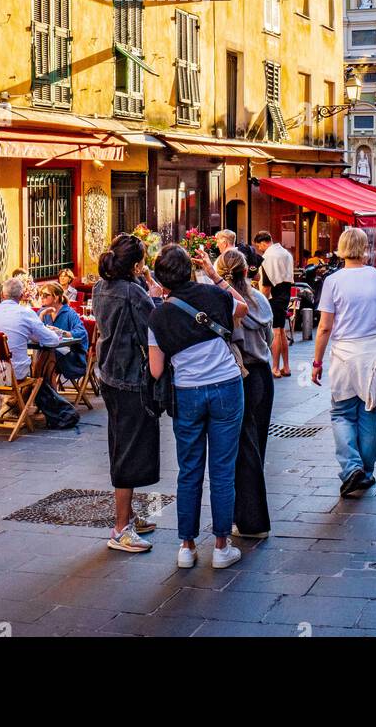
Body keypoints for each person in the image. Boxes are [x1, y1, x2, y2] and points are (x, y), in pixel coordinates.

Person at [148, 243, 247, 570]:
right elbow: (243, 308)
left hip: (187, 393)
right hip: (226, 388)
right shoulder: (216, 296)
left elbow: (156, 370)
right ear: (191, 268)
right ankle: (221, 546)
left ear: (161, 279)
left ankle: (187, 547)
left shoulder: (158, 316)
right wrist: (214, 273)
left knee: (189, 470)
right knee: (223, 469)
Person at [312, 227, 376, 497]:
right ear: (365, 248)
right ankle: (365, 472)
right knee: (369, 415)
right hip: (374, 355)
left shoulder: (332, 280)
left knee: (341, 413)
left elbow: (325, 327)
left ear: (341, 248)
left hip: (343, 356)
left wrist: (316, 362)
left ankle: (351, 468)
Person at [91, 233, 161, 554]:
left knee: (120, 442)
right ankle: (121, 528)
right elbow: (155, 326)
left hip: (108, 374)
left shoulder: (100, 288)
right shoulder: (133, 293)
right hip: (131, 377)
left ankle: (129, 515)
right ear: (135, 264)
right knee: (129, 449)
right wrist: (154, 295)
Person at [217, 247, 274, 539]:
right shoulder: (260, 300)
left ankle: (251, 518)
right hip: (263, 374)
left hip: (242, 375)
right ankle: (249, 511)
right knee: (257, 446)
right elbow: (269, 336)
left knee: (243, 449)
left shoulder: (227, 303)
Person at [0, 278, 79, 430]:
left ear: (2, 294)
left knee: (11, 366)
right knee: (37, 372)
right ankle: (16, 405)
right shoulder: (25, 313)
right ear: (21, 296)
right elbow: (52, 341)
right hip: (12, 374)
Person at [253, 230, 294, 378]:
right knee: (282, 330)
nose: (260, 249)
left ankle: (275, 368)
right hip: (285, 292)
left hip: (274, 295)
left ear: (264, 242)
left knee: (276, 331)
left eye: (259, 246)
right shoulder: (286, 253)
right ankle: (286, 367)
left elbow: (266, 284)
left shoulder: (267, 257)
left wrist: (260, 301)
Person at [37, 282, 89, 382]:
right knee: (43, 355)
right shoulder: (42, 312)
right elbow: (35, 332)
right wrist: (41, 315)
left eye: (45, 295)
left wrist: (61, 332)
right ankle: (44, 390)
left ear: (56, 297)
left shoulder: (69, 313)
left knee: (47, 356)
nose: (41, 298)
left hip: (70, 355)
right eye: (40, 295)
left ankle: (41, 390)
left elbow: (82, 333)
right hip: (49, 354)